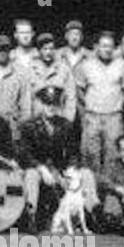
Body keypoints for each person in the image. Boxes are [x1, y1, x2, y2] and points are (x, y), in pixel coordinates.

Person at [17, 87, 87, 232]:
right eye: (47, 104)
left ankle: (91, 215)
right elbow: (25, 153)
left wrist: (71, 168)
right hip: (39, 169)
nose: (51, 108)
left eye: (54, 104)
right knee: (31, 175)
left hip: (60, 170)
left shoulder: (66, 125)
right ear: (41, 104)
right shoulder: (29, 126)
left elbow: (74, 152)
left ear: (59, 106)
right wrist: (41, 168)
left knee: (84, 174)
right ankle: (31, 215)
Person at [76, 31, 124, 172]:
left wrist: (117, 104)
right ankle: (91, 188)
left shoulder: (121, 65)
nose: (107, 50)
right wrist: (88, 106)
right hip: (92, 116)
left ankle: (110, 190)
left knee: (113, 154)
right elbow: (79, 89)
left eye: (110, 46)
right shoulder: (86, 65)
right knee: (91, 154)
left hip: (113, 117)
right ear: (96, 47)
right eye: (104, 46)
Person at [27, 32, 75, 122]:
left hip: (59, 119)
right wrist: (29, 121)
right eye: (45, 49)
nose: (48, 52)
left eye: (51, 49)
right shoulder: (31, 69)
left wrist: (68, 120)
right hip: (37, 120)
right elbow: (26, 98)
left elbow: (71, 97)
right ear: (39, 50)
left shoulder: (64, 69)